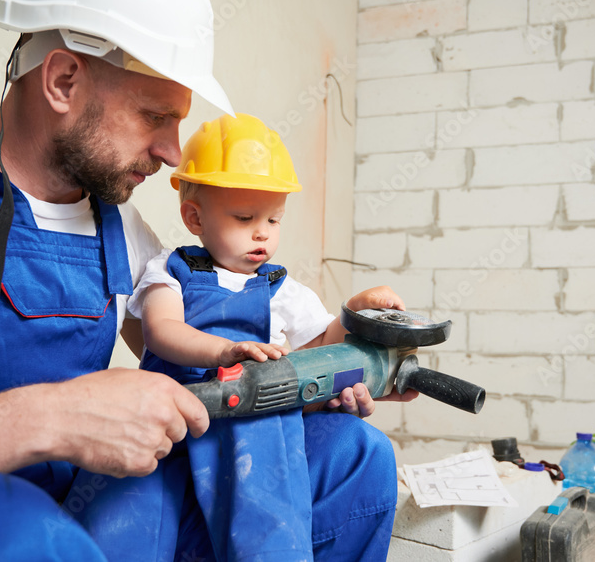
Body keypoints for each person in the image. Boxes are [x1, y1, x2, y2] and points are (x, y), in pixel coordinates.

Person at [0, 0, 404, 560]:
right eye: (154, 116)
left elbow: (216, 379)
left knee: (351, 456)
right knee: (19, 532)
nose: (172, 151)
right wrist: (46, 418)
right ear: (63, 80)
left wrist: (324, 373)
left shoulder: (125, 232)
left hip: (82, 519)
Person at [128, 113, 414, 559]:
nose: (262, 232)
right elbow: (161, 331)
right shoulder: (172, 271)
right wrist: (226, 350)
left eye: (274, 219)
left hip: (260, 431)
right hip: (180, 428)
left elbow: (323, 345)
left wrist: (355, 312)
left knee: (269, 526)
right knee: (127, 523)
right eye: (245, 217)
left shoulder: (283, 289)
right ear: (193, 217)